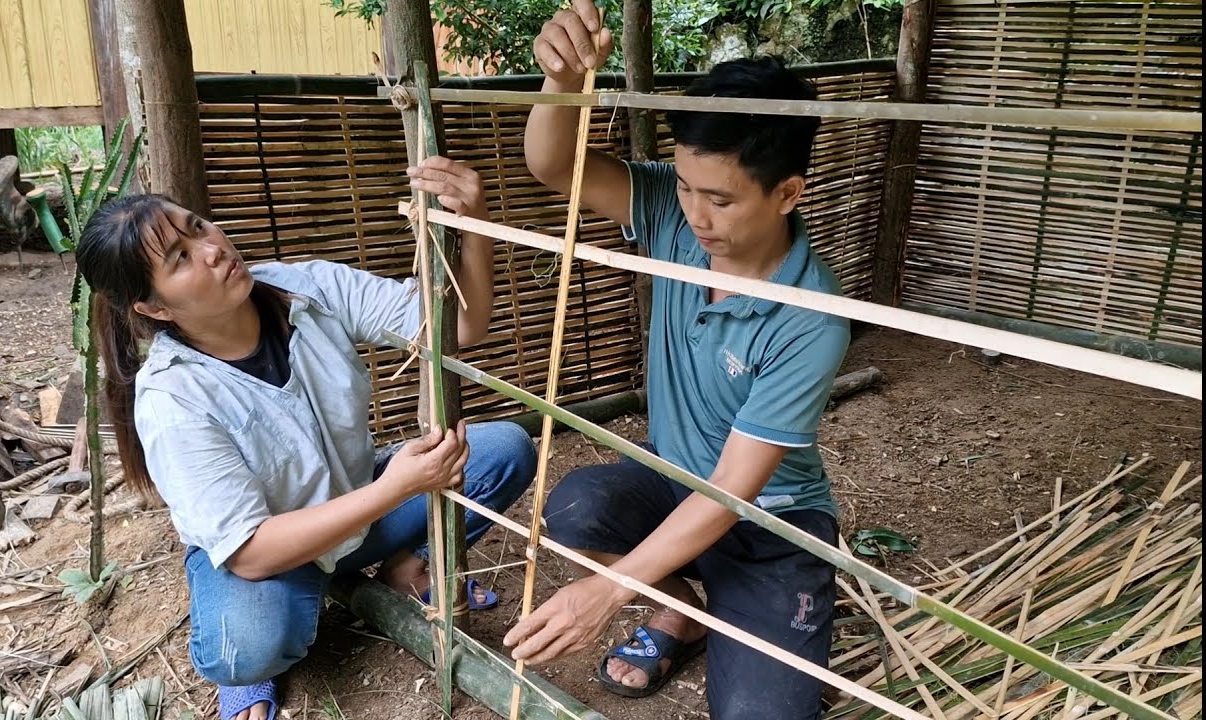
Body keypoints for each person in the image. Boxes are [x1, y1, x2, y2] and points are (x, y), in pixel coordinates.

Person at [76, 157, 536, 720]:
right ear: (153, 307)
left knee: (504, 451)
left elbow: (457, 327)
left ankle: (400, 564)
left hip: (362, 507)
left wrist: (473, 228)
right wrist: (395, 490)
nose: (213, 248)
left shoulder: (308, 289)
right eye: (181, 258)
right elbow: (248, 551)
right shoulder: (174, 397)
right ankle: (261, 658)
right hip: (271, 553)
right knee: (249, 646)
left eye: (197, 227)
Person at [500, 3, 851, 718]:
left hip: (770, 529)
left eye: (719, 198)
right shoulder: (669, 207)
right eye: (686, 186)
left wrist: (605, 591)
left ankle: (726, 604)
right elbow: (551, 165)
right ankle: (682, 612)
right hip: (673, 483)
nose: (695, 214)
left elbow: (731, 490)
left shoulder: (813, 314)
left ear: (788, 192)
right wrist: (562, 83)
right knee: (574, 507)